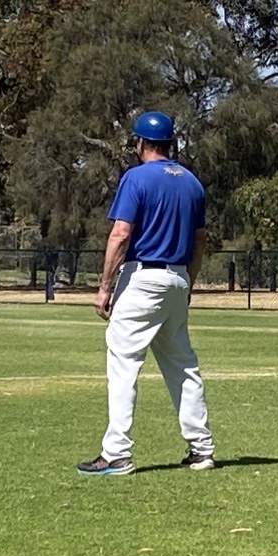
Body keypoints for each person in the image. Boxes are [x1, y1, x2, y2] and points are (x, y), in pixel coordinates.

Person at [77, 110, 213, 476]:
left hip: (143, 277)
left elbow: (121, 234)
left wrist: (104, 287)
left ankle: (116, 453)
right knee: (183, 365)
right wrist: (190, 283)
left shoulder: (136, 178)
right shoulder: (192, 183)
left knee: (124, 362)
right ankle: (201, 449)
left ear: (140, 143)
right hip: (178, 278)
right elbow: (200, 240)